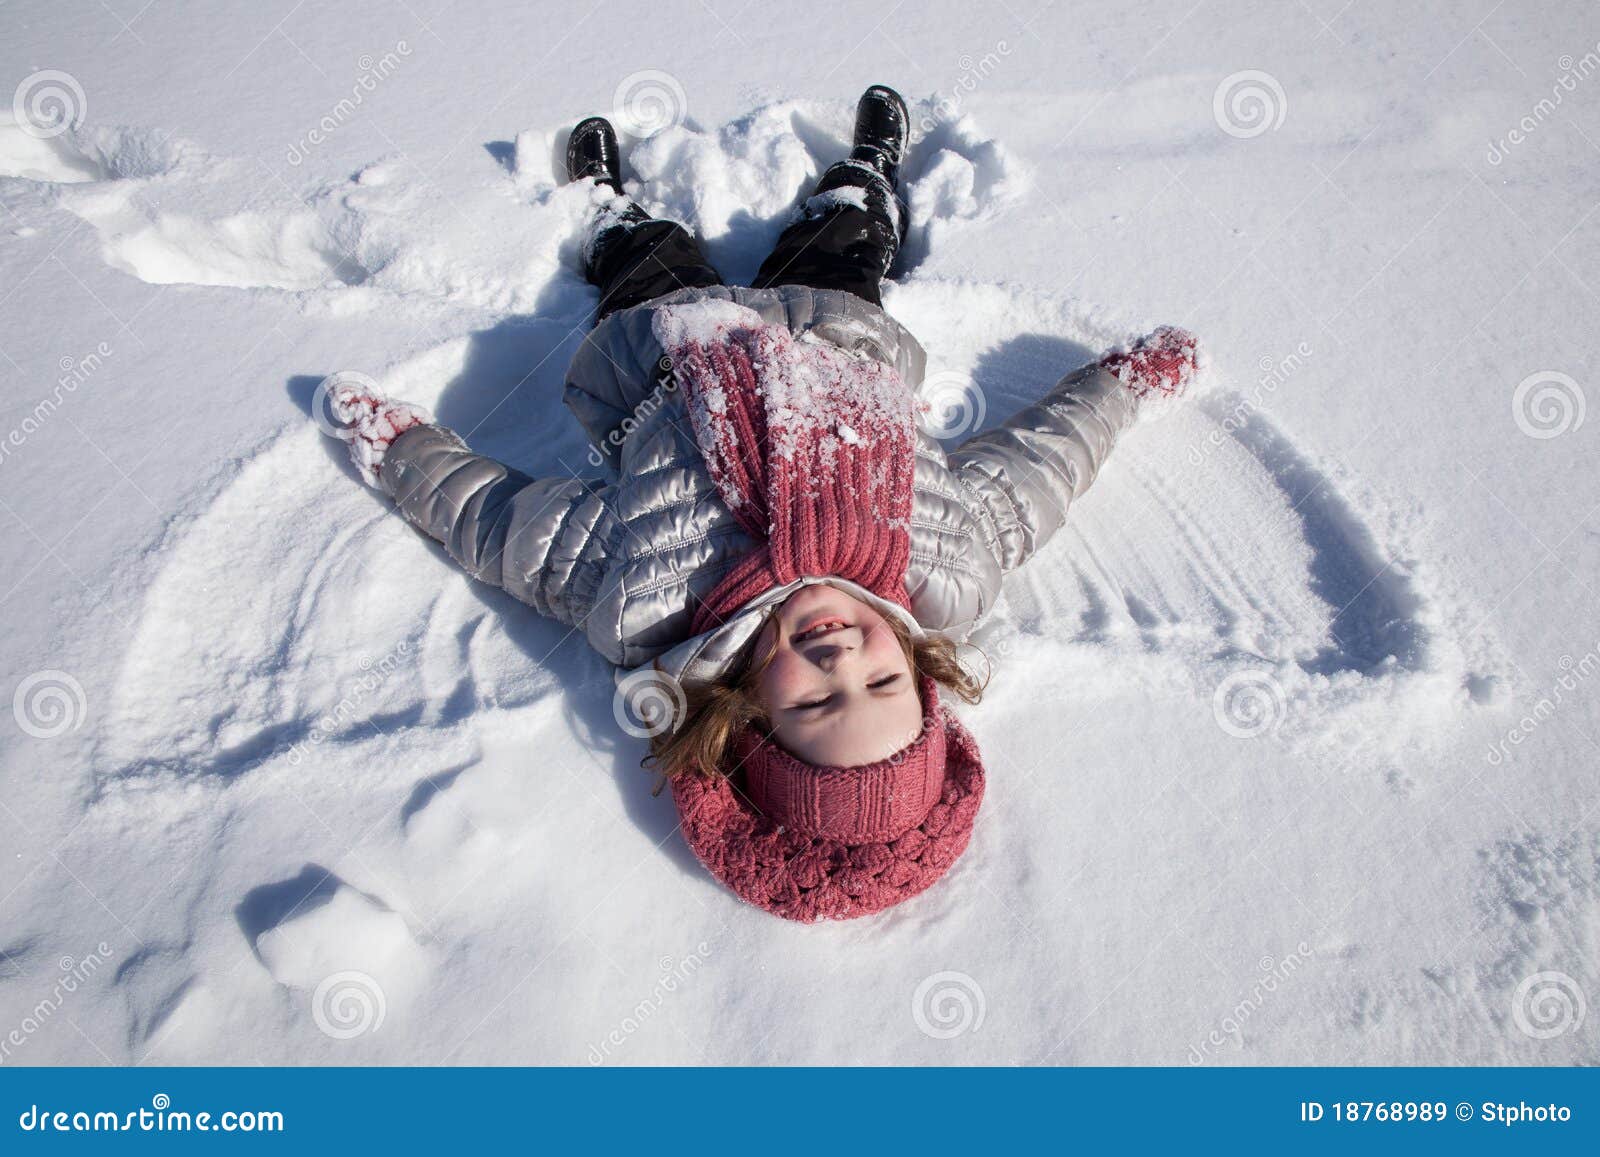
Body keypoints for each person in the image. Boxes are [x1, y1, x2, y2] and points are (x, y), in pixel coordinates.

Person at [321, 85, 1203, 923]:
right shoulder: (945, 564)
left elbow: (498, 526)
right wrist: (1122, 387)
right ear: (919, 669)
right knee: (848, 234)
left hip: (669, 343)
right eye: (883, 681)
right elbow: (1042, 467)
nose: (842, 658)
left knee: (641, 256)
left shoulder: (651, 598)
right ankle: (867, 173)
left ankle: (606, 207)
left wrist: (398, 448)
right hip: (836, 323)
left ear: (747, 715)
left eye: (816, 703)